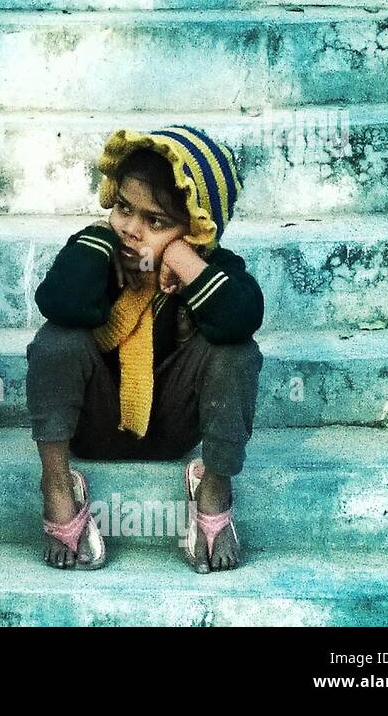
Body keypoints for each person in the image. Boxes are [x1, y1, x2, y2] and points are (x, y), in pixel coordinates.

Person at [28, 127, 264, 573]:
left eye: (156, 222)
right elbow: (60, 303)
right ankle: (57, 484)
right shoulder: (97, 250)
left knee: (236, 350)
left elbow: (241, 318)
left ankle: (213, 486)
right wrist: (102, 245)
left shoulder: (209, 269)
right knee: (57, 339)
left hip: (173, 427)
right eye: (123, 209)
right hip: (91, 423)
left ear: (194, 230)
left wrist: (181, 262)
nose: (132, 230)